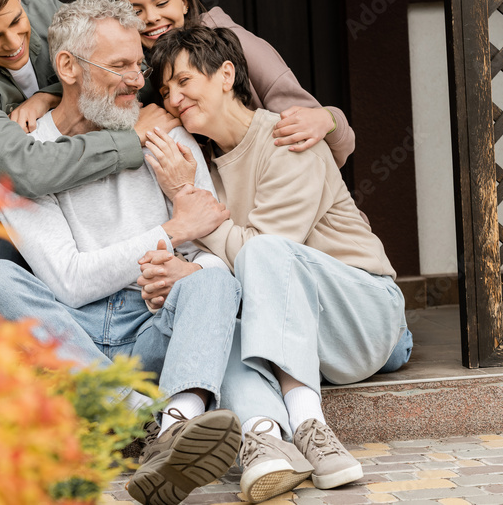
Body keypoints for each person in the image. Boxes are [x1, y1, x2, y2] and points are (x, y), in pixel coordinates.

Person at [0, 0, 245, 505]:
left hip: (150, 329)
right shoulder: (26, 155)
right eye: (119, 66)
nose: (139, 80)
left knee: (212, 277)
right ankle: (145, 421)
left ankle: (176, 424)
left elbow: (207, 238)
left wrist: (189, 266)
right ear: (68, 67)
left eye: (139, 64)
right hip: (69, 341)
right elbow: (69, 283)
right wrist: (170, 233)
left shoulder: (167, 134)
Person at [139, 26, 412, 503]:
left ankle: (310, 423)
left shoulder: (287, 137)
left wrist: (187, 201)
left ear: (226, 74)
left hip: (362, 315)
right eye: (165, 92)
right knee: (217, 322)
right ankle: (264, 442)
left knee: (262, 251)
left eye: (184, 82)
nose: (176, 98)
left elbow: (257, 252)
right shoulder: (202, 163)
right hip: (298, 338)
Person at [0, 0, 178, 287]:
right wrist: (130, 140)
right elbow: (27, 171)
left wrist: (48, 96)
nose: (13, 43)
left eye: (16, 21)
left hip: (79, 181)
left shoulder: (44, 7)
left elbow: (125, 67)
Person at [104, 0, 355, 167]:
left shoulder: (231, 43)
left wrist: (329, 120)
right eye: (135, 11)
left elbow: (311, 121)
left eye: (162, 3)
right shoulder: (137, 75)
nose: (151, 17)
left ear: (183, 1)